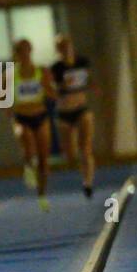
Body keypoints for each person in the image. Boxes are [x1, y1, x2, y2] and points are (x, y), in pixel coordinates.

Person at [8, 39, 57, 211]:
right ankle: (28, 165)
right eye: (20, 51)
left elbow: (52, 94)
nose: (24, 54)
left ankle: (42, 194)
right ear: (16, 53)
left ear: (31, 51)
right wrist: (8, 110)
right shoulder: (12, 74)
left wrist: (49, 88)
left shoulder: (41, 71)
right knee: (29, 148)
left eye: (27, 50)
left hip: (40, 116)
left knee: (44, 159)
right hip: (21, 117)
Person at [50, 35, 97, 197]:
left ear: (71, 45)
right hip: (64, 112)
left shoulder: (82, 62)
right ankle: (81, 169)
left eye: (66, 45)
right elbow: (52, 91)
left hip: (81, 109)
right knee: (70, 154)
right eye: (60, 46)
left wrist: (92, 86)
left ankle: (88, 182)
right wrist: (62, 85)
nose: (64, 49)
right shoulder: (56, 68)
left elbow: (89, 80)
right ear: (57, 50)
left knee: (86, 148)